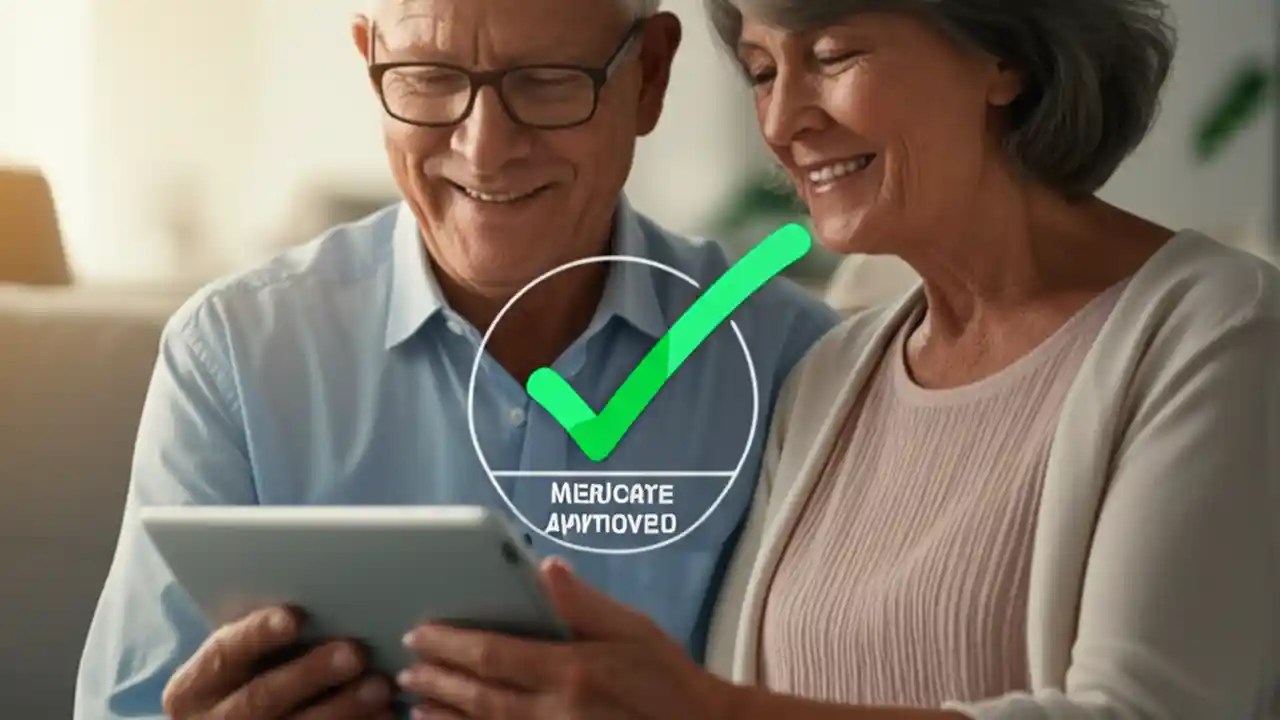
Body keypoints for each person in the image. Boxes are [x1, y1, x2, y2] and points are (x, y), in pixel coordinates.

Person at [386, 0, 1280, 718]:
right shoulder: (832, 367)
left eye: (833, 55)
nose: (783, 121)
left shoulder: (1215, 331)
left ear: (1001, 54)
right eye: (764, 72)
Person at [72, 0, 838, 717]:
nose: (485, 149)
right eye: (430, 80)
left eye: (546, 83)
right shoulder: (233, 358)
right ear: (371, 63)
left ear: (649, 77)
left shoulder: (794, 364)